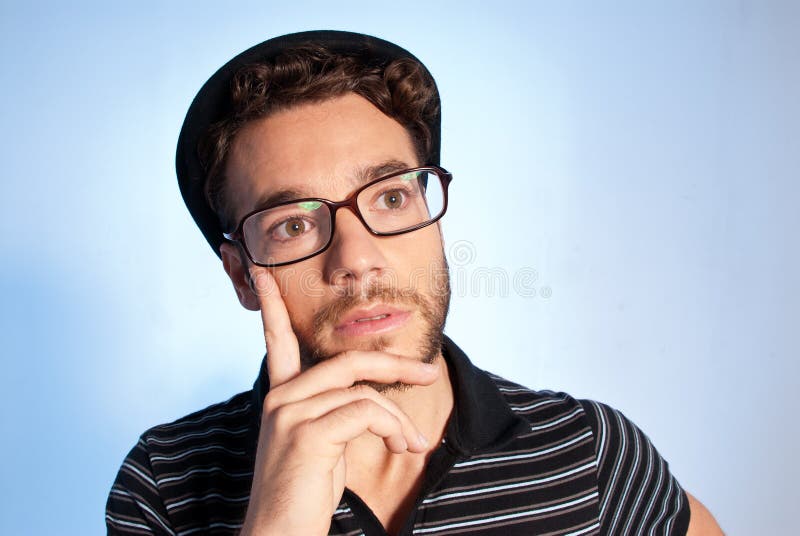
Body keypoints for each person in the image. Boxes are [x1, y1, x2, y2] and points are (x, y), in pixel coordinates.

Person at [106, 30, 722, 535]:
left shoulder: (590, 451)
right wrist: (280, 521)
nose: (358, 259)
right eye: (293, 224)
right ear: (243, 276)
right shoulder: (165, 483)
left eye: (392, 196)